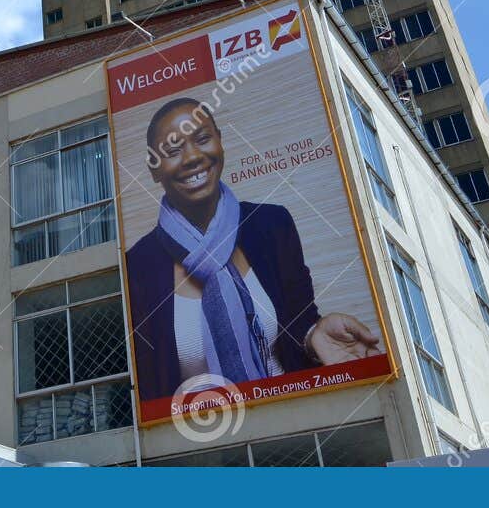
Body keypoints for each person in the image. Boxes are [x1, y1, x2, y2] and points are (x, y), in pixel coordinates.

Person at [125, 97, 381, 403]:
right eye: (172, 150)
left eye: (203, 139)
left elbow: (299, 321)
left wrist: (314, 336)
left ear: (220, 143)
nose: (192, 156)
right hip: (198, 439)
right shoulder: (137, 266)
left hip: (292, 414)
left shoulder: (272, 225)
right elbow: (147, 382)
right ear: (155, 169)